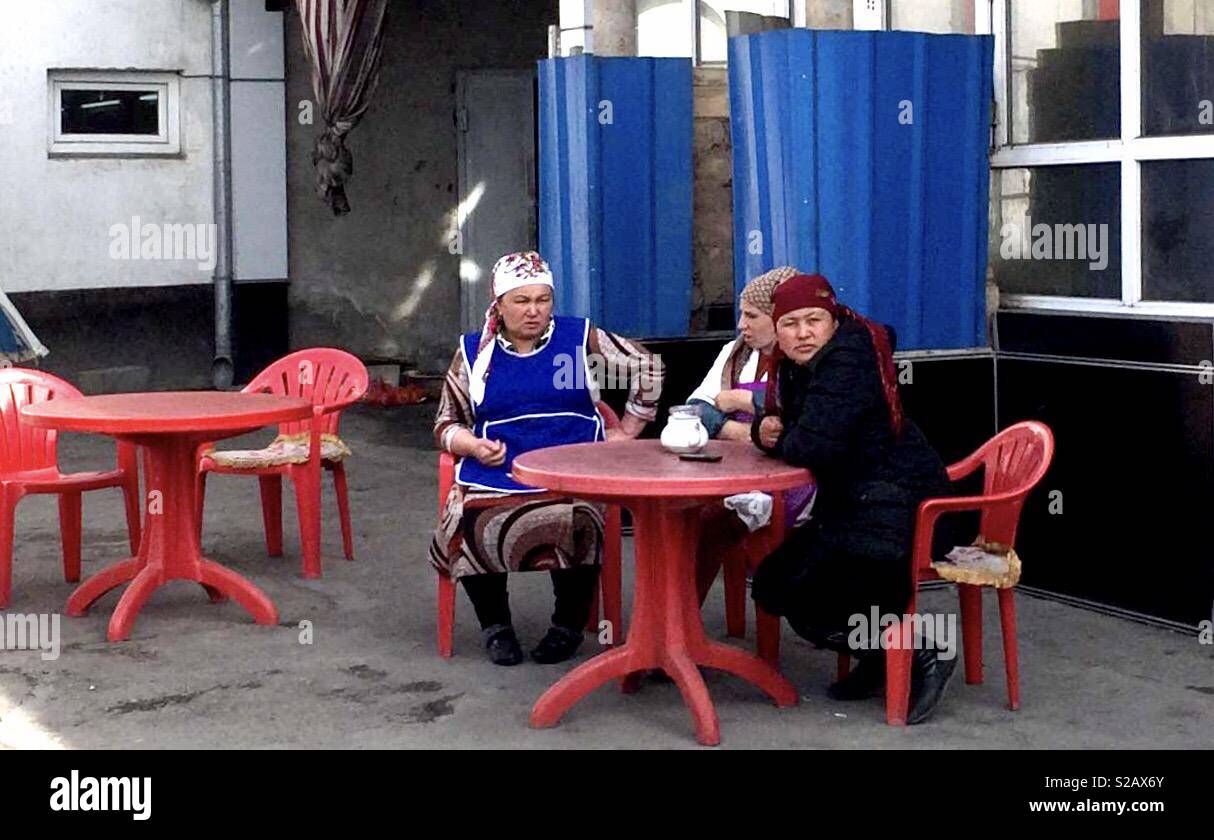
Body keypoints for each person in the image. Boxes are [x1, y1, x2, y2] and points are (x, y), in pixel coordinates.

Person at [429, 251, 662, 666]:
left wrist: (629, 428)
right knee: (468, 516)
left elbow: (648, 367)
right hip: (498, 467)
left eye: (543, 300)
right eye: (521, 301)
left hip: (572, 466)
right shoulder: (473, 352)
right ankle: (496, 626)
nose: (534, 311)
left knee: (577, 517)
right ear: (498, 303)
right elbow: (446, 423)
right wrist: (471, 445)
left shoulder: (577, 340)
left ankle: (567, 626)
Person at [749, 272, 955, 724]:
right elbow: (782, 424)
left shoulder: (848, 359)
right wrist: (763, 433)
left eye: (814, 320)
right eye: (791, 323)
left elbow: (812, 445)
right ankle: (882, 659)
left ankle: (922, 648)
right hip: (853, 507)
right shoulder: (799, 367)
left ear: (834, 321)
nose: (803, 333)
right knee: (772, 584)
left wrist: (778, 439)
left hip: (903, 512)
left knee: (812, 597)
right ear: (778, 330)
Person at [684, 266, 815, 603]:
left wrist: (741, 399)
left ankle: (681, 620)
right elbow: (696, 408)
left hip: (794, 481)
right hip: (736, 470)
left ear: (778, 318)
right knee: (679, 514)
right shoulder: (736, 353)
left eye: (751, 315)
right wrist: (743, 431)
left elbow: (800, 417)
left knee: (712, 519)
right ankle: (668, 622)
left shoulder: (806, 357)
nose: (741, 324)